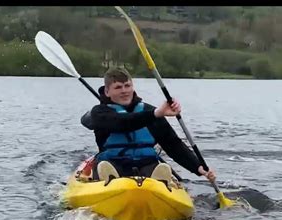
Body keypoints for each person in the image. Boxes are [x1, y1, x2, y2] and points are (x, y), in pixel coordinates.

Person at [80, 67, 216, 185]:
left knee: (156, 167)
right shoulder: (99, 112)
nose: (124, 91)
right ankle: (109, 181)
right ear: (107, 92)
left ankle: (159, 182)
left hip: (145, 163)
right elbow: (122, 123)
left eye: (127, 86)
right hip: (113, 162)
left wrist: (198, 167)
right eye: (118, 87)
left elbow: (173, 144)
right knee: (106, 166)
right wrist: (156, 114)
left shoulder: (149, 111)